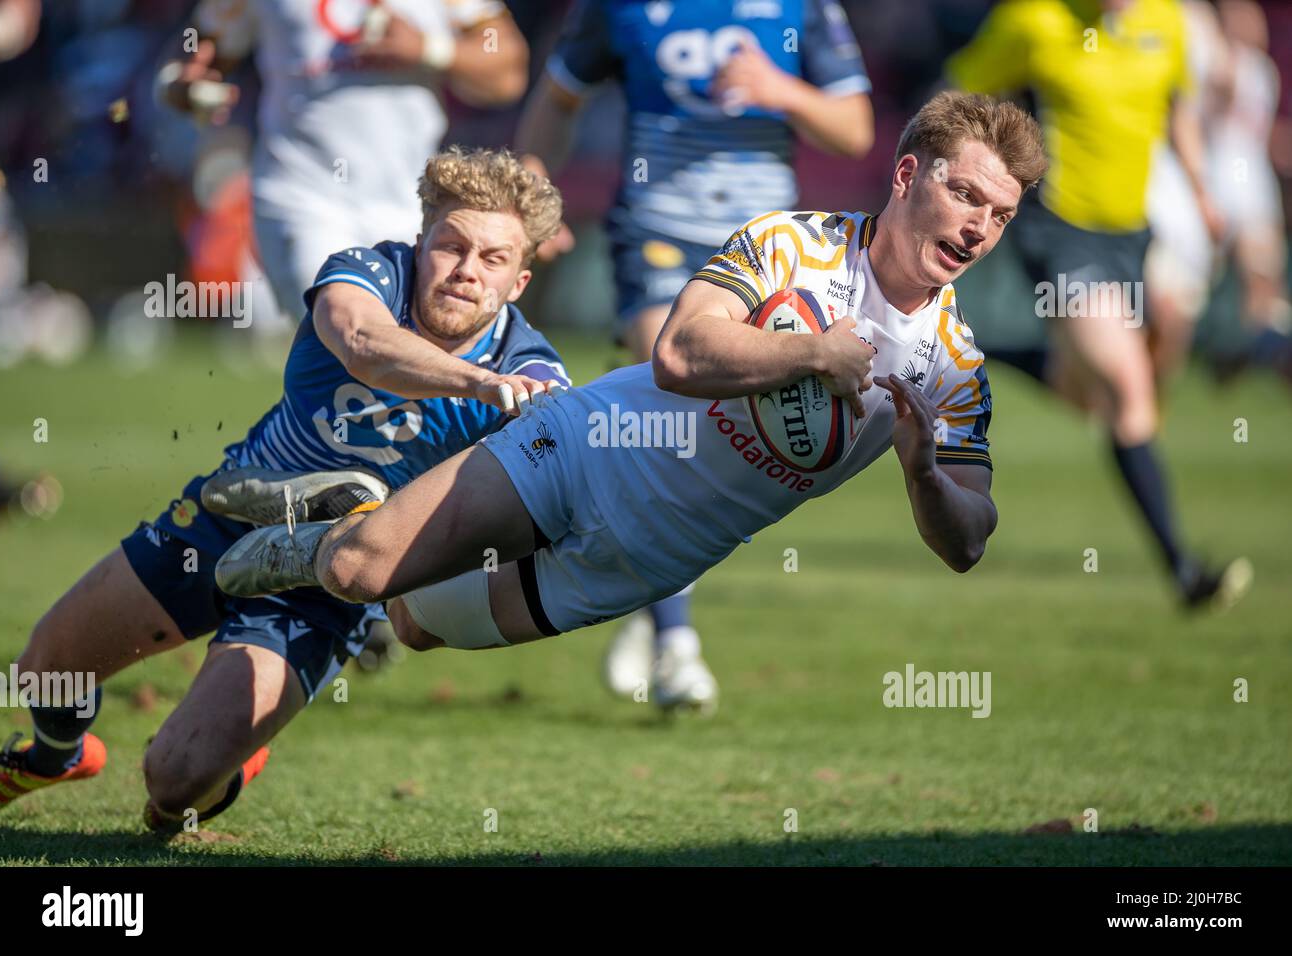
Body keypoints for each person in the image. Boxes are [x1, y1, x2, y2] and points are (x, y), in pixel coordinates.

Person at [214, 93, 1036, 694]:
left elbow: (967, 540)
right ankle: (319, 540)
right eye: (966, 194)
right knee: (362, 570)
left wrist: (926, 477)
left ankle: (345, 511)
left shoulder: (954, 367)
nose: (977, 228)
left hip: (644, 559)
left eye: (998, 215)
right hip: (585, 449)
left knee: (414, 626)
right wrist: (812, 352)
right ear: (905, 175)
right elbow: (680, 352)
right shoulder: (792, 245)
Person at [0, 149, 570, 828]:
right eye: (451, 245)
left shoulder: (531, 369)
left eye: (493, 259)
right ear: (422, 243)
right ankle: (55, 755)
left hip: (326, 581)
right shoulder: (370, 274)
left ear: (520, 281)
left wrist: (545, 423)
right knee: (45, 670)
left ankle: (228, 756)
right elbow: (361, 342)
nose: (467, 270)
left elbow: (545, 484)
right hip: (230, 511)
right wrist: (476, 385)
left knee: (172, 787)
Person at [514, 0, 874, 712]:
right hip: (657, 234)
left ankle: (648, 595)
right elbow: (557, 99)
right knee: (674, 396)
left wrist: (782, 91)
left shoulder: (803, 9)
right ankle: (677, 643)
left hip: (767, 252)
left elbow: (854, 129)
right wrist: (532, 196)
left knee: (708, 443)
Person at [946, 0, 1251, 609]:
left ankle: (969, 345)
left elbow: (1176, 108)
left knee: (1091, 392)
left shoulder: (1166, 22)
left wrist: (1199, 190)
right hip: (1059, 233)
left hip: (1134, 232)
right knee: (1128, 386)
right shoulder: (1032, 21)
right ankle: (1185, 573)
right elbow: (958, 98)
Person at [158, 0, 530, 327]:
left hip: (413, 207)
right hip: (302, 198)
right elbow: (192, 57)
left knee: (405, 375)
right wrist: (184, 87)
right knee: (350, 336)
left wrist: (429, 50)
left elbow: (508, 71)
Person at [1146, 0, 1291, 385]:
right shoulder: (1207, 63)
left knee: (1263, 275)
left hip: (1252, 185)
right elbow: (1200, 111)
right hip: (1213, 182)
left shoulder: (1262, 71)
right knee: (1192, 286)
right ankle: (1227, 350)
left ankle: (1259, 345)